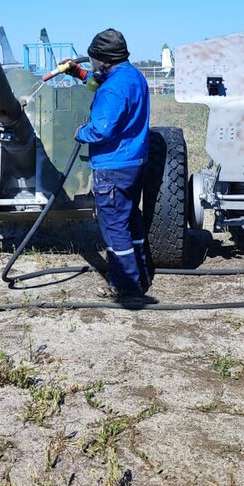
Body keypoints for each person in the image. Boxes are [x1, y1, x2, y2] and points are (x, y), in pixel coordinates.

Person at [66, 28, 151, 300]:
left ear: (103, 60)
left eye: (92, 61)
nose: (90, 64)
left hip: (112, 166)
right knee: (130, 221)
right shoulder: (132, 76)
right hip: (133, 162)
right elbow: (102, 82)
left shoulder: (112, 89)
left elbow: (101, 130)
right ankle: (142, 273)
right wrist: (79, 74)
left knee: (114, 229)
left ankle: (126, 285)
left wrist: (80, 132)